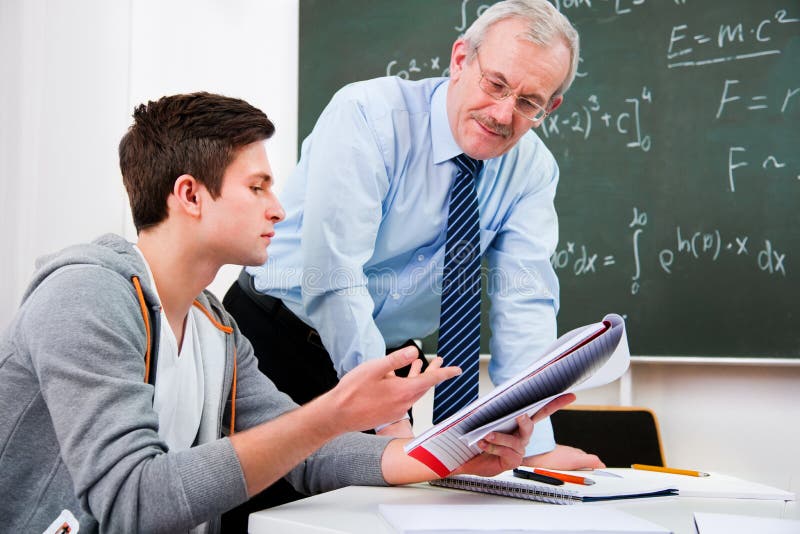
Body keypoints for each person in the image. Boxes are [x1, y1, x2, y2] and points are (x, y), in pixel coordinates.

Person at [0, 92, 574, 533]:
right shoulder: (85, 297)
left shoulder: (216, 329)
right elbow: (135, 500)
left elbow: (307, 454)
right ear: (190, 195)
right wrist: (331, 413)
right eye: (258, 188)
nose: (278, 209)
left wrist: (448, 457)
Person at [225, 0, 602, 482]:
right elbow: (335, 274)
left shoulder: (532, 171)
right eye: (496, 84)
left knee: (374, 513)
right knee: (258, 507)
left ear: (551, 107)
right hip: (275, 342)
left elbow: (524, 302)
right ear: (461, 59)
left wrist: (530, 444)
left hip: (388, 362)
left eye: (529, 103)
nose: (503, 114)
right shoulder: (368, 115)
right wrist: (387, 420)